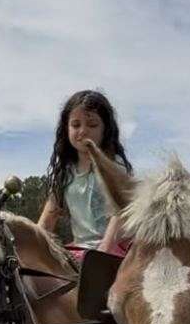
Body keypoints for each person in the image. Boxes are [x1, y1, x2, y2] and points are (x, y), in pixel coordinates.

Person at [38, 90, 133, 260]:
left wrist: (102, 252)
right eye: (76, 125)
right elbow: (46, 221)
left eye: (92, 125)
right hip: (80, 250)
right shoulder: (64, 174)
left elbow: (120, 214)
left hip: (116, 250)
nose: (83, 131)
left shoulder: (114, 165)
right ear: (66, 129)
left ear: (105, 129)